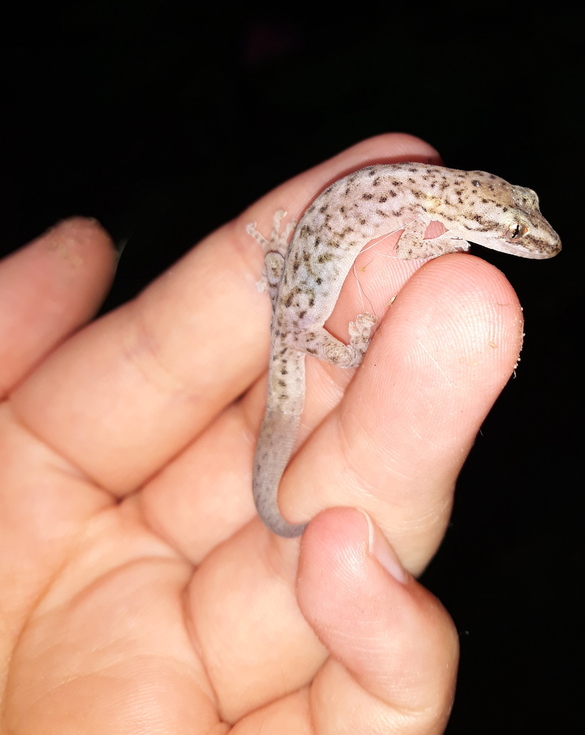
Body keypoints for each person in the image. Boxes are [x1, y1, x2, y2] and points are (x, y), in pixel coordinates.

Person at [0, 134, 525, 732]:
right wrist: (362, 333)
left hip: (296, 283)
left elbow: (412, 236)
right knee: (315, 359)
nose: (527, 239)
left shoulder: (425, 197)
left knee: (303, 369)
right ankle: (326, 375)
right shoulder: (421, 212)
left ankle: (306, 337)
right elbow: (408, 243)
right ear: (469, 204)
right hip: (300, 316)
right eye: (511, 231)